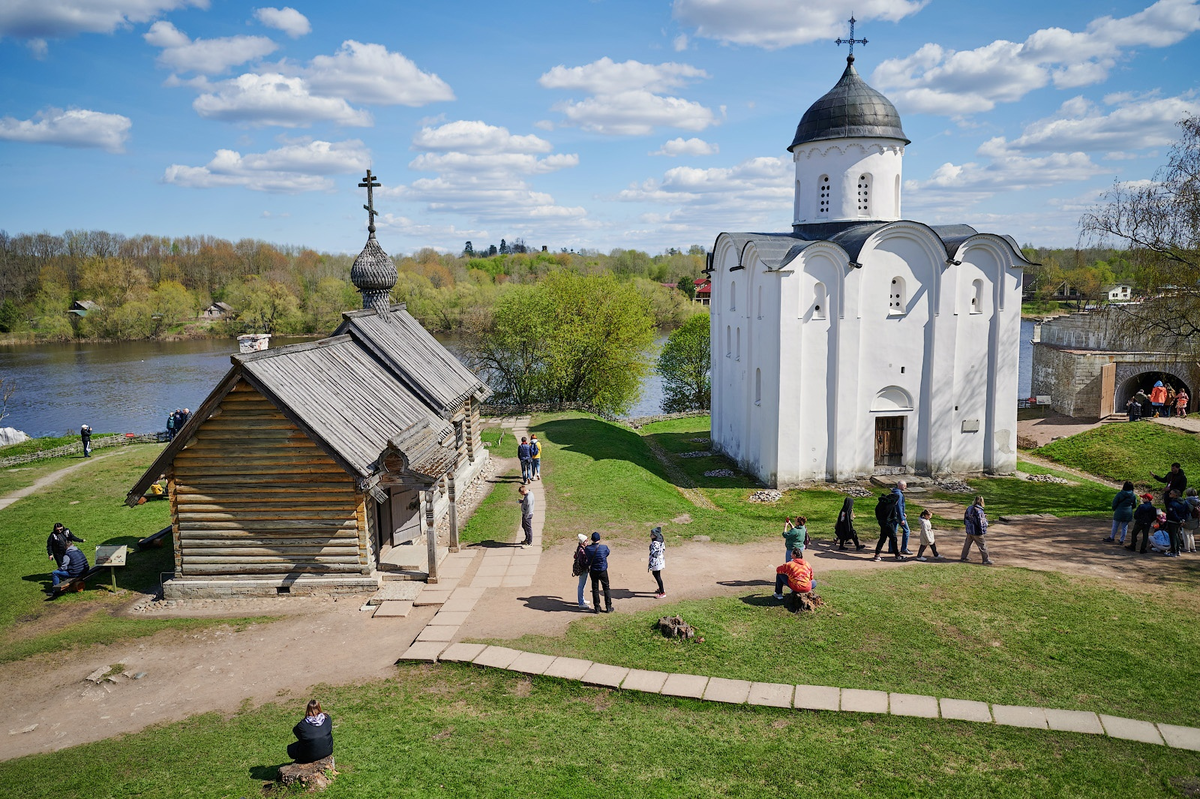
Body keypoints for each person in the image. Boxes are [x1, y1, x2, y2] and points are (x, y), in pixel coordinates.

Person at [288, 699, 333, 764]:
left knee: (292, 749)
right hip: (327, 750)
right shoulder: (327, 718)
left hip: (309, 755)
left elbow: (296, 732)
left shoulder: (302, 725)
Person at [960, 495, 993, 565]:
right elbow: (981, 523)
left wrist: (968, 526)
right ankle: (986, 560)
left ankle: (963, 557)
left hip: (969, 530)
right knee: (982, 545)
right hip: (977, 531)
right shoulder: (979, 511)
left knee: (967, 544)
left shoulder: (969, 508)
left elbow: (966, 518)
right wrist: (984, 527)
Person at [585, 532, 612, 613]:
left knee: (595, 589)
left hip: (593, 570)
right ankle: (608, 607)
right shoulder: (604, 548)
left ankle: (597, 607)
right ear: (599, 539)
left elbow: (587, 555)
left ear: (592, 539)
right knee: (606, 588)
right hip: (603, 570)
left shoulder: (588, 549)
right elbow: (607, 553)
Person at [1164, 489, 1187, 557]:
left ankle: (1173, 551)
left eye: (1171, 493)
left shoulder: (1172, 503)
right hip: (1179, 521)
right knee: (1177, 535)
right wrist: (1183, 520)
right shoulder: (1184, 502)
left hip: (1173, 521)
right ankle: (1178, 550)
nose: (1169, 494)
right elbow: (1186, 512)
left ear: (1175, 495)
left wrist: (1179, 520)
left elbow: (1173, 514)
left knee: (1173, 536)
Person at [893, 481, 913, 555]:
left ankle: (892, 548)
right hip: (899, 516)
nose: (905, 487)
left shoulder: (894, 492)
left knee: (894, 532)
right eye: (905, 486)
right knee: (907, 531)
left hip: (894, 515)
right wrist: (902, 518)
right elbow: (899, 506)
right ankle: (904, 548)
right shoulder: (899, 494)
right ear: (900, 486)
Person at [572, 533, 591, 609]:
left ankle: (582, 599)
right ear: (583, 542)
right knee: (581, 586)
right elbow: (583, 563)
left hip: (583, 570)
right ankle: (581, 603)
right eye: (586, 541)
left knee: (582, 585)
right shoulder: (581, 551)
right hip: (583, 570)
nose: (587, 542)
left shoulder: (580, 548)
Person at [648, 526, 666, 598]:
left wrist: (650, 548)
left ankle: (662, 592)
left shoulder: (655, 543)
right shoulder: (660, 540)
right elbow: (663, 549)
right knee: (656, 574)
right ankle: (661, 588)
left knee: (657, 575)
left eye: (652, 534)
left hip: (656, 561)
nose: (650, 535)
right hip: (660, 560)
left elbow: (654, 553)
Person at [1182, 488, 1200, 554]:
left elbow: (1184, 511)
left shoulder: (1186, 501)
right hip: (1195, 518)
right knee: (1191, 534)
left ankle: (1187, 548)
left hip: (1187, 519)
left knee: (1185, 533)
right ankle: (1193, 548)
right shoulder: (1198, 501)